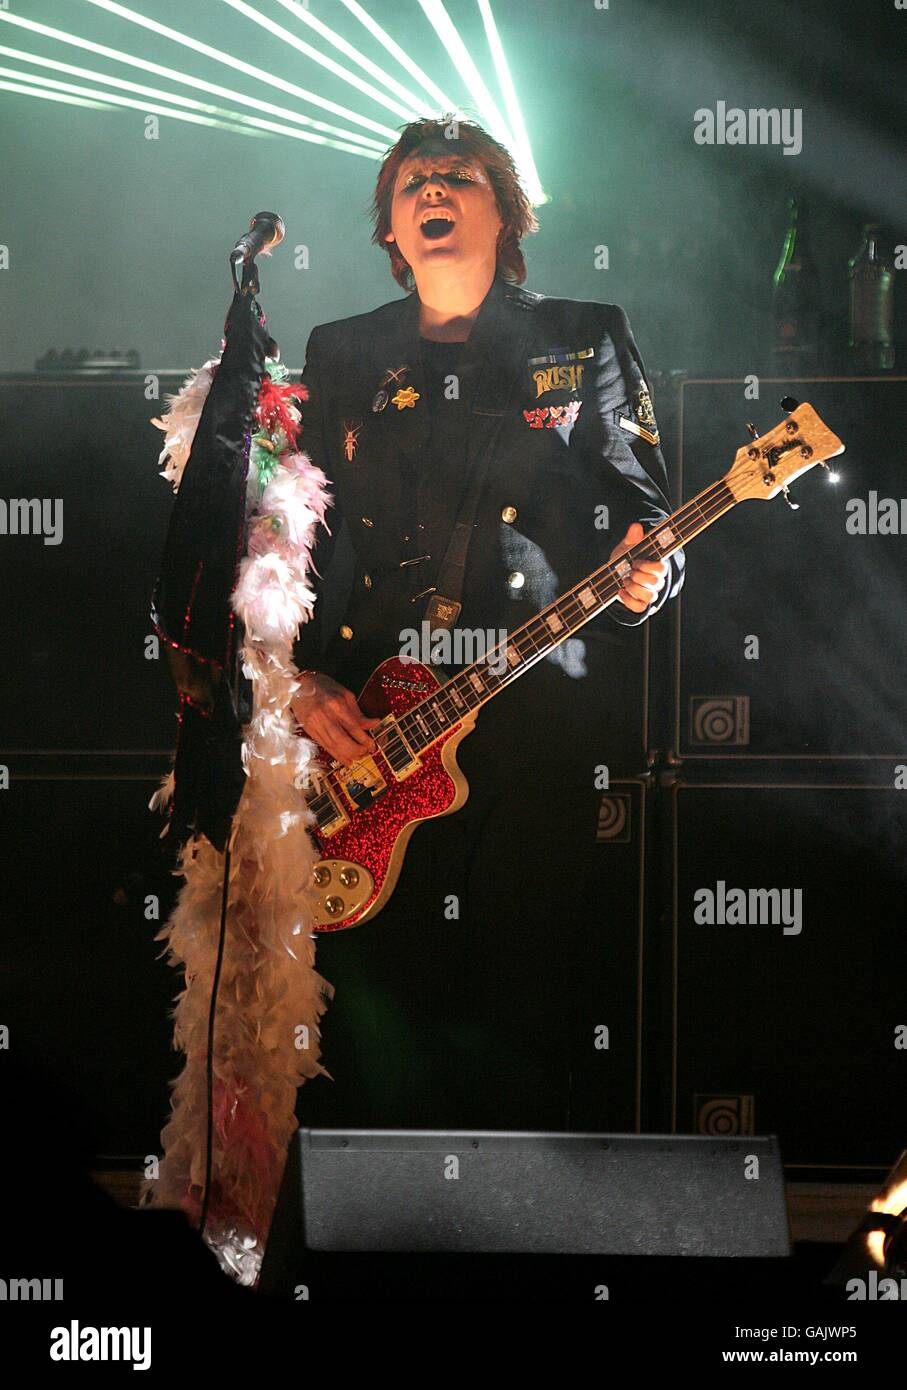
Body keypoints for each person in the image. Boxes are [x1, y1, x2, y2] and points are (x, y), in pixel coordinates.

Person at [289, 117, 683, 1132]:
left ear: (503, 210)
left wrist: (652, 570)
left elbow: (644, 505)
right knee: (374, 1023)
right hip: (367, 736)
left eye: (457, 176)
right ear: (389, 223)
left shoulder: (583, 332)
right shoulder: (342, 351)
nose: (432, 188)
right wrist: (294, 682)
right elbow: (291, 540)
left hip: (526, 721)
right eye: (412, 180)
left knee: (517, 1007)